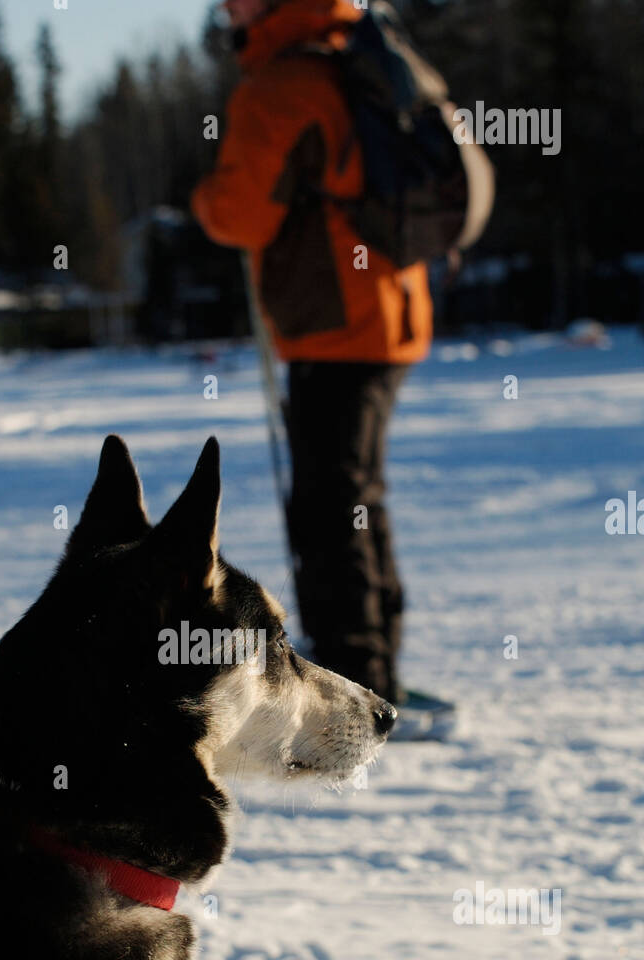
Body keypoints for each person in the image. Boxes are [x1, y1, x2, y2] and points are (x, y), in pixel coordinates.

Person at [192, 0, 433, 703]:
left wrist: (204, 199)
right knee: (356, 497)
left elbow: (239, 211)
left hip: (339, 323)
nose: (227, 6)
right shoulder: (347, 55)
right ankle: (374, 668)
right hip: (386, 313)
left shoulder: (281, 84)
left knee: (332, 505)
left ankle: (357, 685)